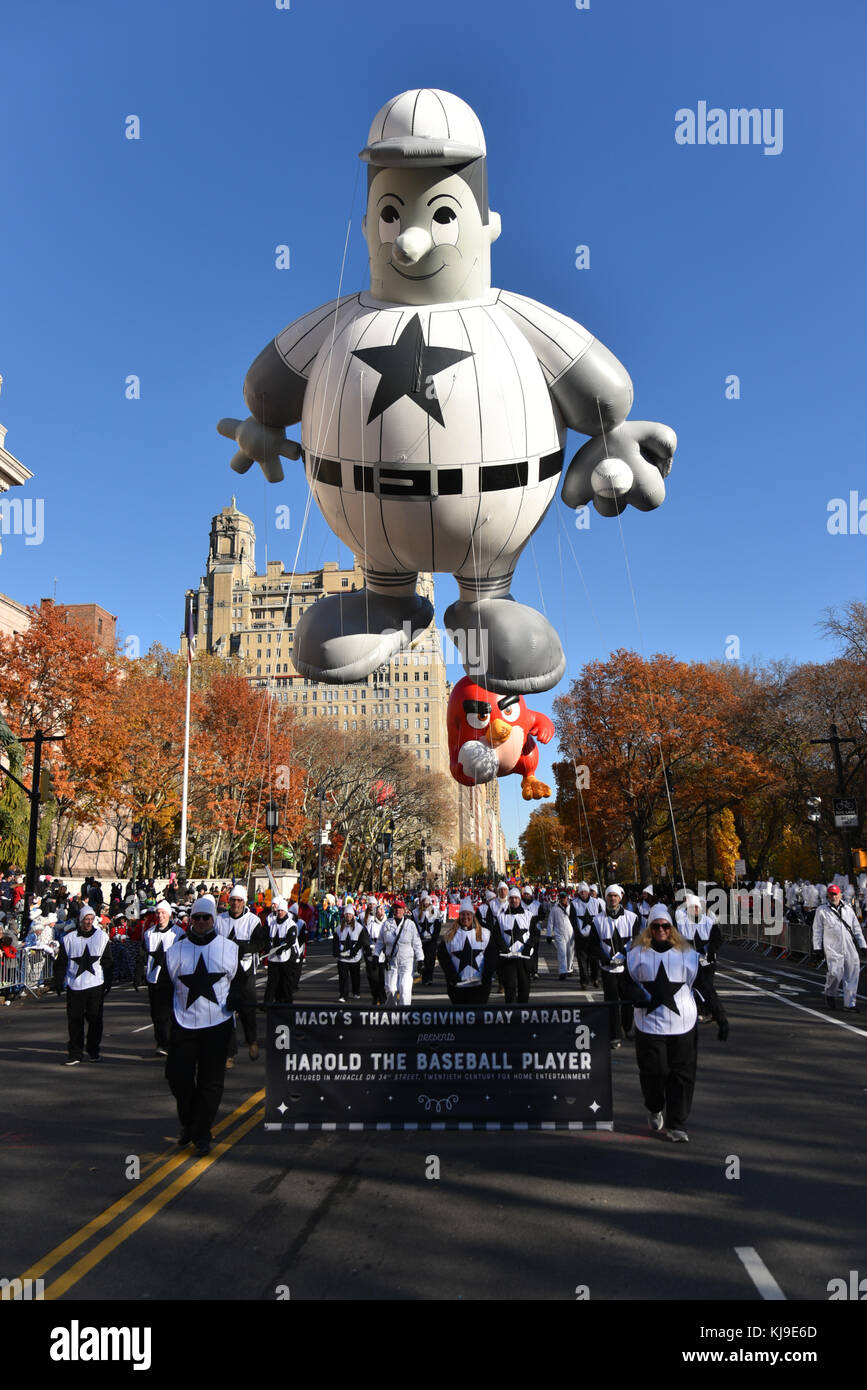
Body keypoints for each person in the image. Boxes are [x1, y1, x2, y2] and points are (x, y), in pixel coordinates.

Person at [626, 902, 727, 1142]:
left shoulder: (689, 956)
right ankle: (654, 1105)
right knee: (654, 1072)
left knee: (682, 1075)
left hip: (683, 1024)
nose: (661, 930)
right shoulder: (636, 955)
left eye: (665, 926)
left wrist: (720, 1015)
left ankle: (677, 1123)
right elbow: (626, 983)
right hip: (650, 1025)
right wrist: (635, 995)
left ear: (672, 928)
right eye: (656, 926)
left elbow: (704, 987)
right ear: (649, 928)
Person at [164, 895, 245, 1156]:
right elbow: (164, 990)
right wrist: (163, 1026)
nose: (200, 922)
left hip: (217, 1023)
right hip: (183, 1023)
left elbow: (242, 985)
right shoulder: (175, 951)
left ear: (213, 919)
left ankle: (201, 1134)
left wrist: (237, 1001)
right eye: (196, 917)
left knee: (211, 1083)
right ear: (191, 919)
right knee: (177, 1077)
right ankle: (189, 1123)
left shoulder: (229, 948)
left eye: (205, 917)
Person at [53, 903, 113, 1065]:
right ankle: (75, 1053)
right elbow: (61, 963)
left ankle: (93, 1050)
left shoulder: (101, 937)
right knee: (74, 1021)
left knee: (95, 1019)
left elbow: (107, 962)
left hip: (95, 984)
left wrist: (108, 981)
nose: (88, 922)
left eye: (91, 919)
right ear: (80, 920)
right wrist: (58, 981)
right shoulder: (69, 939)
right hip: (75, 985)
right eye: (86, 919)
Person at [216, 884, 268, 1062]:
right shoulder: (220, 920)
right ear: (229, 901)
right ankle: (228, 1053)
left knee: (247, 1010)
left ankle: (251, 1040)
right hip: (224, 972)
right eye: (233, 900)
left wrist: (242, 947)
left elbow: (260, 944)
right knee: (225, 1011)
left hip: (245, 972)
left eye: (239, 900)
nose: (236, 904)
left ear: (244, 902)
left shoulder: (253, 921)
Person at [591, 884, 639, 1048]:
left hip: (627, 968)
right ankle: (614, 1034)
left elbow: (636, 942)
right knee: (611, 1002)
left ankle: (627, 1027)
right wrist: (605, 958)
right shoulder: (597, 920)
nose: (612, 899)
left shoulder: (632, 918)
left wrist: (624, 957)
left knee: (627, 1000)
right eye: (609, 896)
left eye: (615, 896)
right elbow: (594, 945)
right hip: (608, 968)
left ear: (620, 897)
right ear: (606, 898)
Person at [135, 899, 185, 1055]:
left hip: (171, 980)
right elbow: (142, 955)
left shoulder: (179, 934)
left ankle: (169, 1043)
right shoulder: (149, 933)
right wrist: (137, 975)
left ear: (169, 915)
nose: (160, 916)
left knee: (169, 1013)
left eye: (163, 913)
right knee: (156, 1014)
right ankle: (161, 1042)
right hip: (153, 979)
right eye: (158, 913)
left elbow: (184, 957)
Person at [676, 893, 727, 1032]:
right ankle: (697, 1010)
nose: (695, 910)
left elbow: (718, 940)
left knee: (708, 985)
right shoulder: (682, 923)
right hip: (690, 960)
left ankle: (712, 1012)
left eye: (697, 907)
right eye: (692, 908)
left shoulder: (709, 922)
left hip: (707, 960)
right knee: (693, 986)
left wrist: (709, 951)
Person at [812, 883, 866, 1012]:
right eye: (831, 894)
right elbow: (817, 930)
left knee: (852, 973)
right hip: (832, 947)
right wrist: (817, 948)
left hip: (849, 946)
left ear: (840, 894)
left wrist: (863, 944)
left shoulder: (848, 909)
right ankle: (830, 993)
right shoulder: (822, 910)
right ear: (828, 895)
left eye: (835, 894)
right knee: (835, 973)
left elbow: (856, 928)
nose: (833, 896)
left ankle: (850, 1004)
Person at [437, 896, 496, 1003]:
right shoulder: (449, 935)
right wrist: (452, 976)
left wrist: (487, 977)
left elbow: (491, 957)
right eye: (463, 914)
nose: (465, 917)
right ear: (459, 916)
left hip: (479, 986)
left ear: (473, 916)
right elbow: (443, 958)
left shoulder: (485, 934)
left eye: (468, 914)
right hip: (458, 987)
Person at [490, 885, 539, 1003]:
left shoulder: (528, 916)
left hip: (524, 958)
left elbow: (535, 934)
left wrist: (528, 947)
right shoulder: (501, 917)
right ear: (508, 900)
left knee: (524, 985)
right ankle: (510, 1012)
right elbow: (496, 935)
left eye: (516, 898)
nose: (514, 900)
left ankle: (523, 1011)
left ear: (519, 899)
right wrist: (503, 948)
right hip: (508, 958)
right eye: (511, 898)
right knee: (510, 986)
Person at [379, 899, 424, 1006]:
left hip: (406, 961)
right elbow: (380, 941)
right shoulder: (387, 924)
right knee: (390, 989)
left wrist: (420, 959)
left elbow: (417, 943)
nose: (397, 910)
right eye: (395, 908)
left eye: (400, 908)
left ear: (404, 910)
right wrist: (377, 955)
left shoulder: (410, 925)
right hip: (391, 962)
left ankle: (405, 1014)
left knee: (404, 989)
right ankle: (391, 1013)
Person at [263, 897, 298, 1004]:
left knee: (285, 981)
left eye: (282, 910)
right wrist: (267, 947)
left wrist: (282, 948)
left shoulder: (291, 924)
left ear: (286, 911)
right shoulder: (272, 923)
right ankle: (267, 1003)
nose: (280, 912)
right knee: (272, 982)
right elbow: (266, 936)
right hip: (273, 957)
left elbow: (290, 940)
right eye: (278, 910)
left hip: (285, 957)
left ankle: (287, 1002)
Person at [333, 904, 369, 1002]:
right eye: (346, 914)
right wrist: (336, 952)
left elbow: (361, 942)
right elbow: (335, 942)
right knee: (343, 977)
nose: (348, 916)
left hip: (354, 957)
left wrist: (353, 952)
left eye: (350, 914)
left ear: (353, 915)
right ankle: (343, 995)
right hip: (342, 957)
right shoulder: (338, 928)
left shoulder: (359, 927)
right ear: (344, 915)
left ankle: (356, 992)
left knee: (355, 976)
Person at [571, 881, 601, 986]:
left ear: (588, 892)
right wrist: (577, 933)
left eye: (585, 891)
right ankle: (584, 980)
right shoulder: (574, 903)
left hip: (594, 937)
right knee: (582, 960)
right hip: (581, 937)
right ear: (579, 893)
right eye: (581, 892)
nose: (583, 894)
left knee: (594, 959)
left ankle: (595, 978)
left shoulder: (596, 903)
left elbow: (601, 918)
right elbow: (573, 920)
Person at [363, 897, 387, 1006]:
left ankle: (382, 998)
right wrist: (367, 948)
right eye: (378, 911)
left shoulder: (388, 923)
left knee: (382, 979)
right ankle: (375, 994)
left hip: (383, 955)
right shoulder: (369, 922)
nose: (380, 912)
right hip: (371, 954)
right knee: (372, 978)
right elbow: (365, 936)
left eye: (382, 910)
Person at [415, 893, 442, 985]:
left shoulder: (435, 911)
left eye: (427, 902)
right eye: (424, 901)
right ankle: (424, 977)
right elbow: (413, 926)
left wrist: (434, 938)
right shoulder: (415, 912)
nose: (426, 903)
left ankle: (429, 978)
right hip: (420, 940)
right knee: (423, 959)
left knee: (430, 960)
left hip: (431, 941)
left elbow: (438, 926)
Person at [549, 888, 575, 979]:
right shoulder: (554, 909)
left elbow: (575, 920)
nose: (563, 899)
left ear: (567, 898)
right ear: (559, 898)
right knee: (562, 953)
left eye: (564, 897)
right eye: (561, 897)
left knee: (570, 952)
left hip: (570, 933)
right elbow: (550, 922)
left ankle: (569, 969)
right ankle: (562, 972)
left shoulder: (571, 907)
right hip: (559, 933)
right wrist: (549, 934)